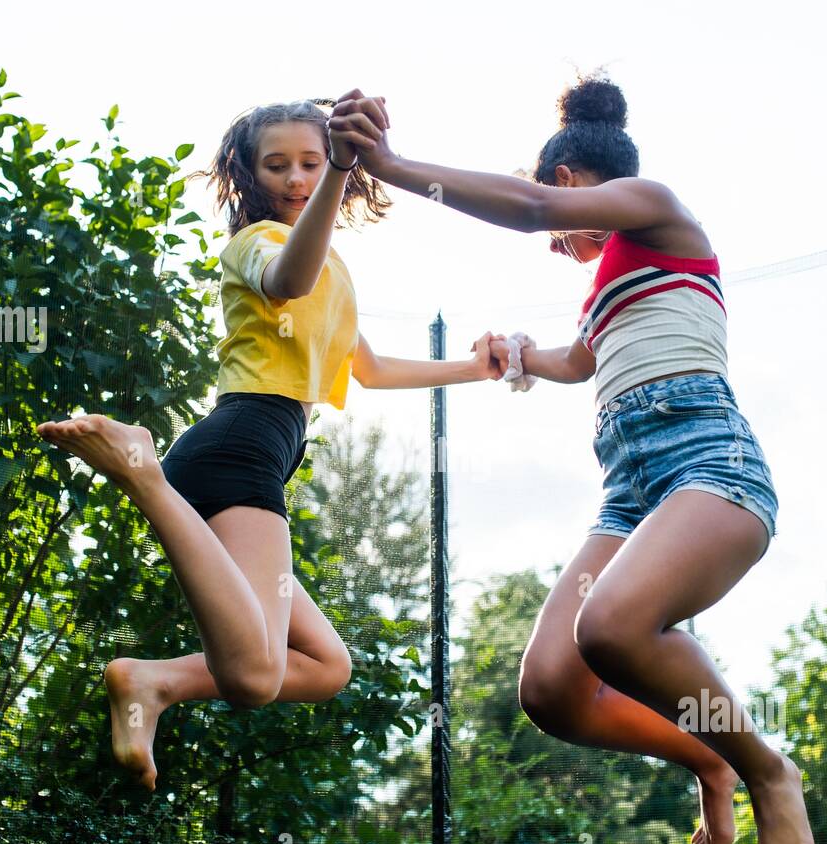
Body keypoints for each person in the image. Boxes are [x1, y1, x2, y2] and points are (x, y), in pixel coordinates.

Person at [329, 75, 815, 844]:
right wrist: (514, 354)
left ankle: (768, 770)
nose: (555, 244)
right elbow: (576, 361)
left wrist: (392, 164)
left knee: (614, 626)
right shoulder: (608, 286)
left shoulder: (661, 210)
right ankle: (709, 754)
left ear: (565, 183)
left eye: (559, 224)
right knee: (551, 685)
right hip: (630, 489)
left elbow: (528, 210)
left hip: (709, 464)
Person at [36, 89, 507, 792]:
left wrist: (472, 368)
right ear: (250, 177)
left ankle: (153, 680)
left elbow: (369, 369)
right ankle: (142, 472)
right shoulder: (258, 245)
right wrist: (343, 169)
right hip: (241, 445)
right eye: (277, 165)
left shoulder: (334, 271)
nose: (295, 178)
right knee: (254, 676)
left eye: (312, 163)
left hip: (257, 455)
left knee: (323, 666)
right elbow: (288, 282)